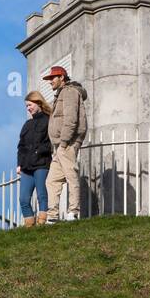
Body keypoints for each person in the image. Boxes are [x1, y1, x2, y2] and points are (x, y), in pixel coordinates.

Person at [42, 65, 88, 223]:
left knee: (70, 175)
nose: (50, 82)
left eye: (52, 78)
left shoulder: (69, 92)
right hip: (60, 145)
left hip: (66, 143)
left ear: (62, 77)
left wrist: (63, 142)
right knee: (52, 180)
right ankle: (53, 216)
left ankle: (73, 212)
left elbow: (71, 119)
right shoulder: (62, 93)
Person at [16, 91, 53, 227]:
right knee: (23, 199)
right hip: (26, 166)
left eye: (30, 105)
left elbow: (51, 142)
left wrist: (39, 151)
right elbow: (21, 146)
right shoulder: (27, 124)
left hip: (42, 164)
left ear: (38, 103)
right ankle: (29, 225)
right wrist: (19, 164)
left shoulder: (49, 120)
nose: (28, 108)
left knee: (42, 194)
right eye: (26, 106)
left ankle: (42, 222)